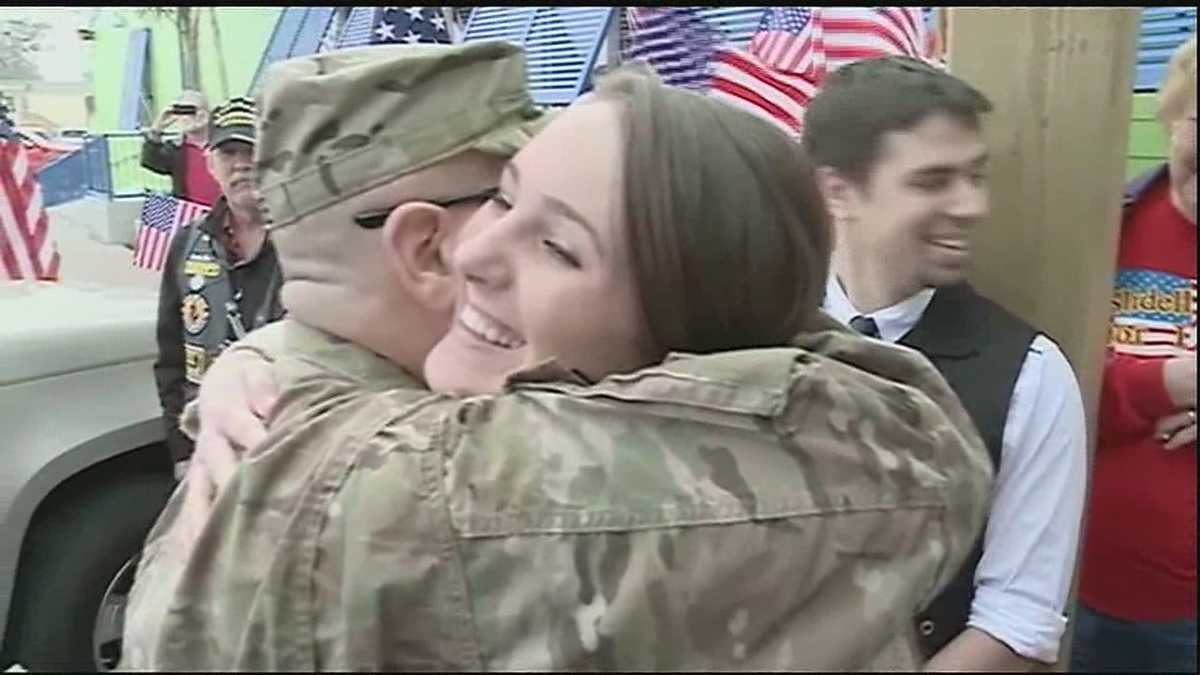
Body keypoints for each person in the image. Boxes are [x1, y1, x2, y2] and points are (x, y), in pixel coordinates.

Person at [120, 42, 994, 671]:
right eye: (500, 196)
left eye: (560, 244)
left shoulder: (336, 450)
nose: (474, 255)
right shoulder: (382, 473)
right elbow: (919, 450)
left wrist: (271, 350)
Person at [802, 56, 1088, 671]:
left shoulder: (1029, 375)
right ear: (838, 191)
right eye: (933, 182)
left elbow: (1020, 619)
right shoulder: (753, 331)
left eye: (976, 176)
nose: (973, 206)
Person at [1071, 35, 1197, 674]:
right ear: (1173, 116)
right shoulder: (1105, 227)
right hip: (1084, 586)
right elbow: (1066, 390)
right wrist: (1175, 382)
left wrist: (1128, 384)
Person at [151, 95, 285, 480]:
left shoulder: (308, 240)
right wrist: (180, 448)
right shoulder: (187, 243)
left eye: (252, 150)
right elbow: (170, 352)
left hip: (287, 441)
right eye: (229, 153)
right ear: (210, 164)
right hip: (210, 440)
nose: (241, 164)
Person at [140, 89, 222, 206]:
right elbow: (150, 161)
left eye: (192, 111)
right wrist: (157, 128)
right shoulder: (176, 149)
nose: (191, 117)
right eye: (184, 112)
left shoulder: (222, 144)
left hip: (226, 213)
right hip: (191, 215)